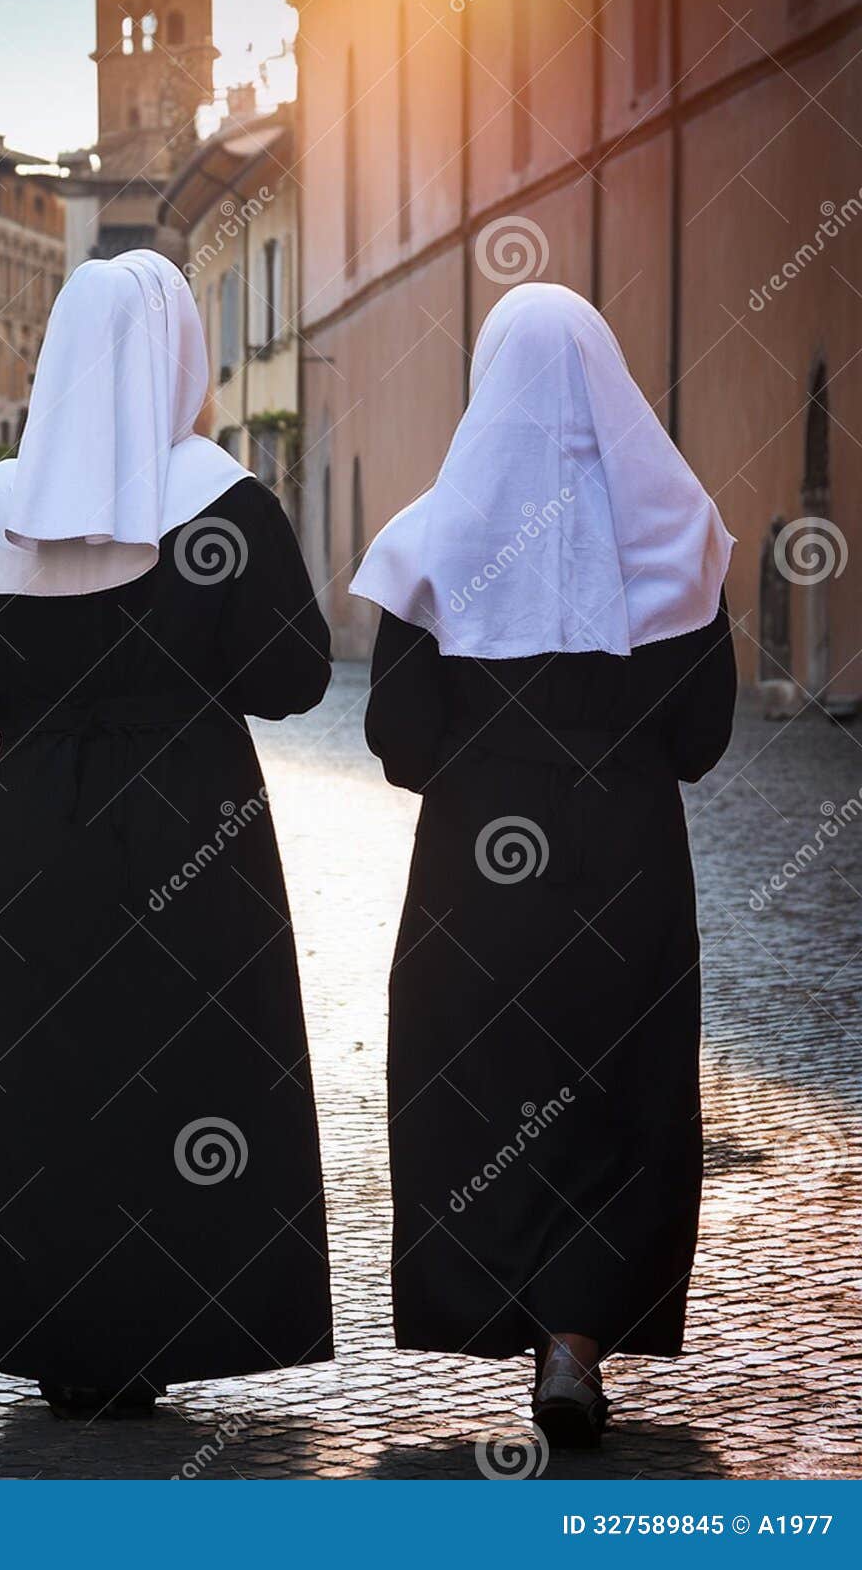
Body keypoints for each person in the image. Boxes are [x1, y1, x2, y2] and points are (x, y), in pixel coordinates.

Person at [0, 249, 335, 1420]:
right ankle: (175, 1320)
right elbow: (294, 672)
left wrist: (60, 697)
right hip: (196, 814)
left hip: (39, 818)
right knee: (194, 1063)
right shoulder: (224, 501)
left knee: (47, 1066)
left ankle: (60, 1332)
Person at [351, 282, 737, 1449]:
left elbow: (398, 739)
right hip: (628, 856)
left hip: (479, 869)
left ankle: (503, 1298)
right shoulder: (680, 532)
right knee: (621, 1089)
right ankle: (575, 1339)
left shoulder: (431, 537)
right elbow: (703, 739)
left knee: (481, 1085)